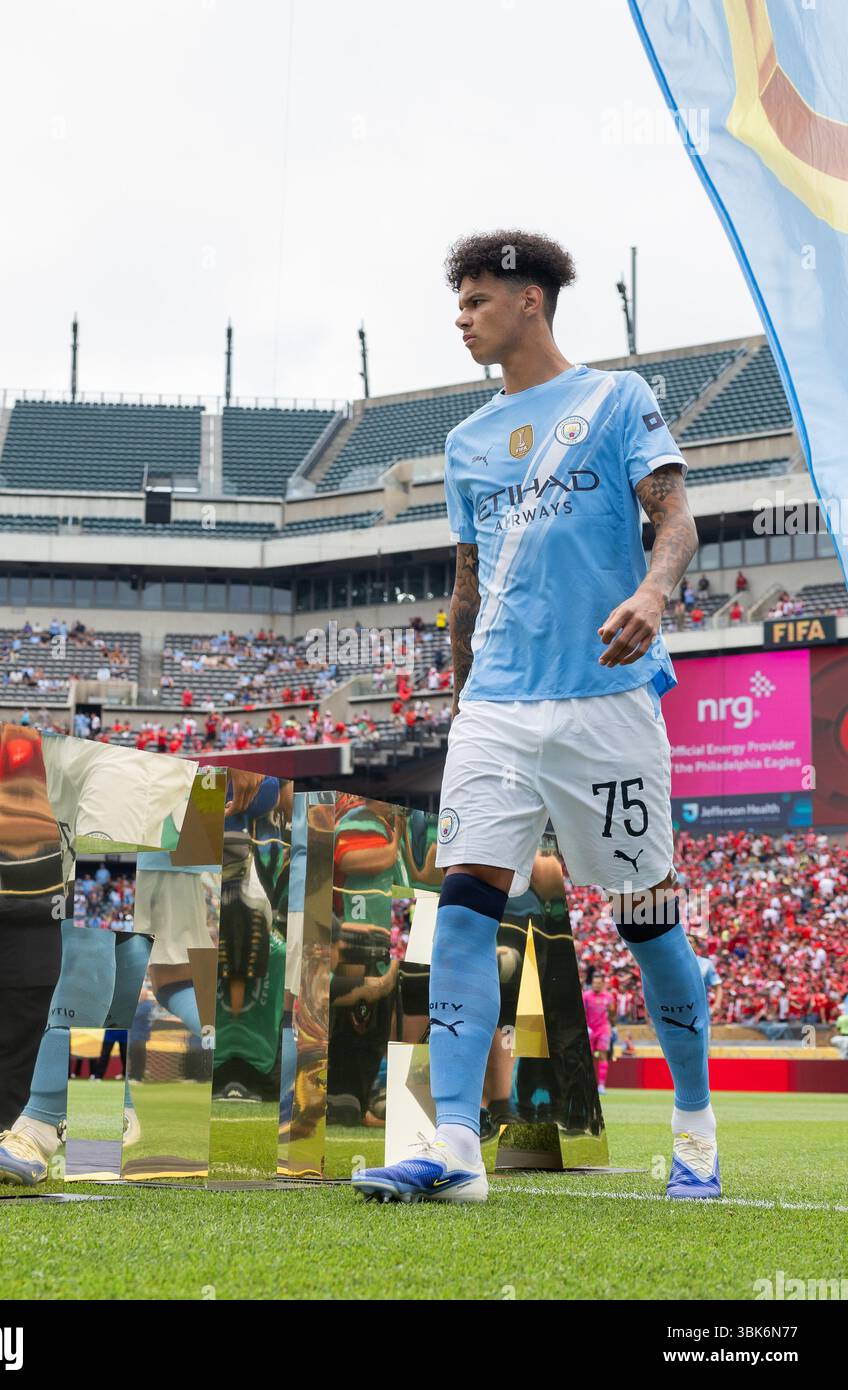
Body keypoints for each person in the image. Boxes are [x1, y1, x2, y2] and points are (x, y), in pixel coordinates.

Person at [353, 230, 716, 1204]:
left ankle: (693, 1132)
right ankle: (460, 1147)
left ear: (528, 300)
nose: (460, 316)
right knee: (464, 904)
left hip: (605, 696)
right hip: (497, 708)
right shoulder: (465, 442)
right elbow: (466, 580)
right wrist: (463, 689)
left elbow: (675, 519)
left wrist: (653, 593)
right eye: (457, 299)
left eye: (474, 298)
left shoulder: (616, 401)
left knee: (645, 920)